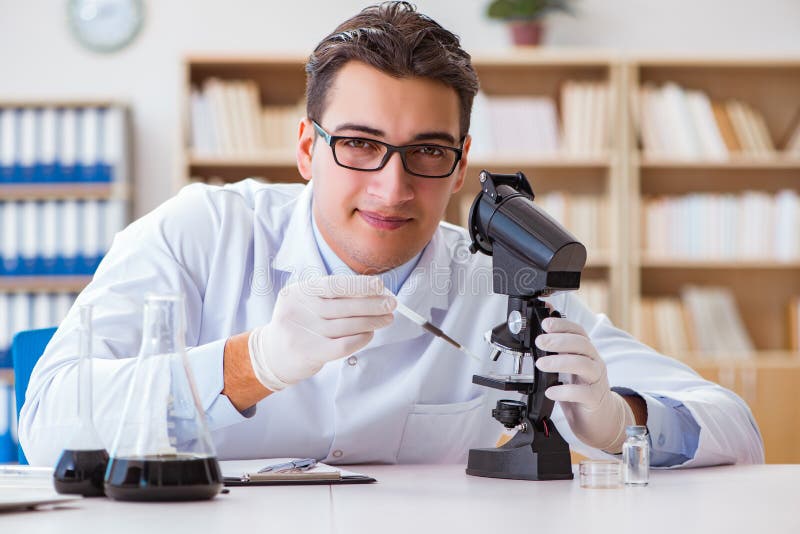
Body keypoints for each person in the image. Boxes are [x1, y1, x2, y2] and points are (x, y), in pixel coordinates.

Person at [19, 2, 763, 467]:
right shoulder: (202, 232)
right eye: (359, 143)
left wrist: (617, 419)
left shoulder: (492, 281)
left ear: (463, 164)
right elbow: (48, 422)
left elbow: (735, 428)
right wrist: (252, 364)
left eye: (427, 152)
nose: (393, 186)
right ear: (307, 148)